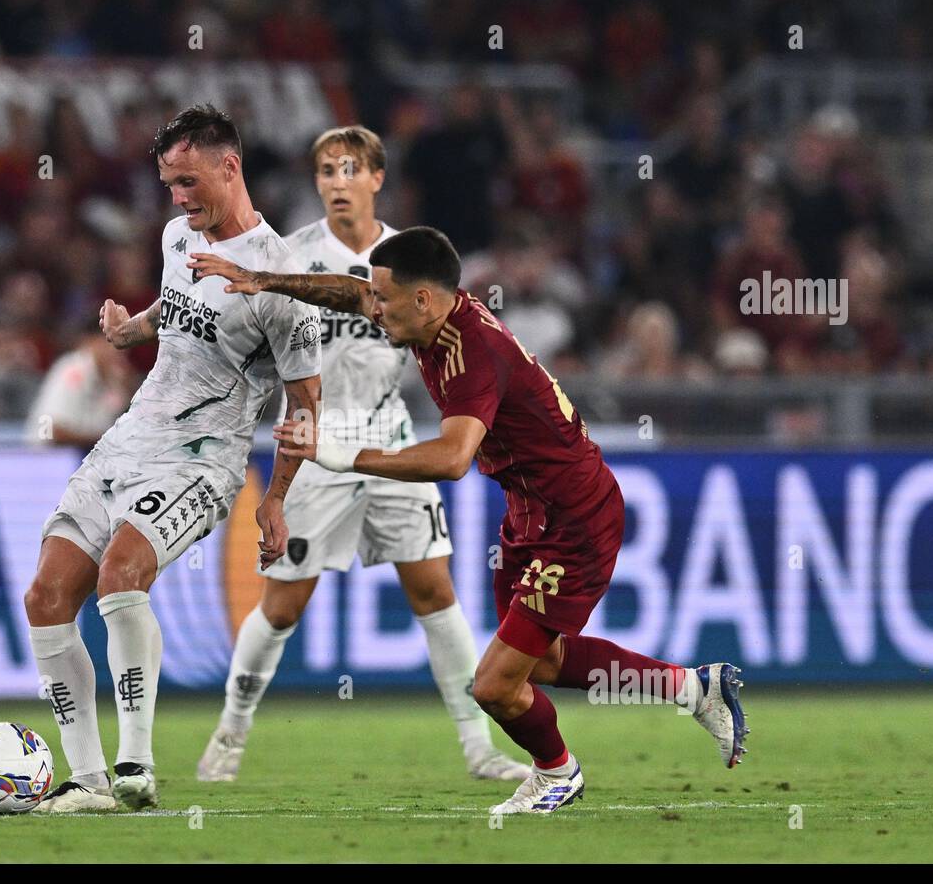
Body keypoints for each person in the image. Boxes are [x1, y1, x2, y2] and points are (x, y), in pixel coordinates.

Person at [189, 226, 747, 814]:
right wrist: (264, 280)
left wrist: (333, 451)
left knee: (495, 685)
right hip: (530, 513)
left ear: (422, 300)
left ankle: (558, 773)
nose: (371, 308)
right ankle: (693, 688)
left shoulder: (471, 354)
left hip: (574, 519)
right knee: (544, 662)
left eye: (382, 299)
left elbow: (452, 459)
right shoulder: (428, 313)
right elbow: (345, 292)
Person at [197, 126, 529, 784]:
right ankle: (229, 736)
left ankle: (479, 748)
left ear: (378, 178)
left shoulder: (408, 261)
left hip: (391, 432)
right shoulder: (292, 257)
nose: (337, 182)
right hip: (316, 440)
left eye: (350, 169)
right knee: (284, 605)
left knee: (435, 590)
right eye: (325, 171)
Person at [23, 105, 322, 814]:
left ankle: (135, 766)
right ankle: (88, 779)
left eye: (190, 182)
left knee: (121, 576)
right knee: (45, 595)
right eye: (169, 185)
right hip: (131, 435)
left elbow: (306, 402)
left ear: (231, 166)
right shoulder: (175, 236)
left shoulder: (283, 281)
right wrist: (135, 327)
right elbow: (177, 301)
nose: (181, 199)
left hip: (204, 457)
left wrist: (275, 498)